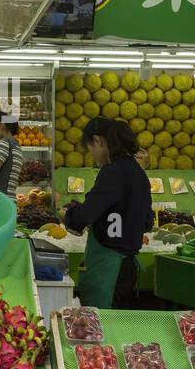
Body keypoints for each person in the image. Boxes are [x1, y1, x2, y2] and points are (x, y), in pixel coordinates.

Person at [63, 118, 153, 309]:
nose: (93, 156)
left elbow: (85, 214)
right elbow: (147, 222)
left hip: (108, 269)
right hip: (127, 267)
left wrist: (69, 215)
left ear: (98, 141)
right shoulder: (138, 172)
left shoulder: (112, 172)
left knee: (101, 327)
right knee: (114, 324)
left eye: (91, 149)